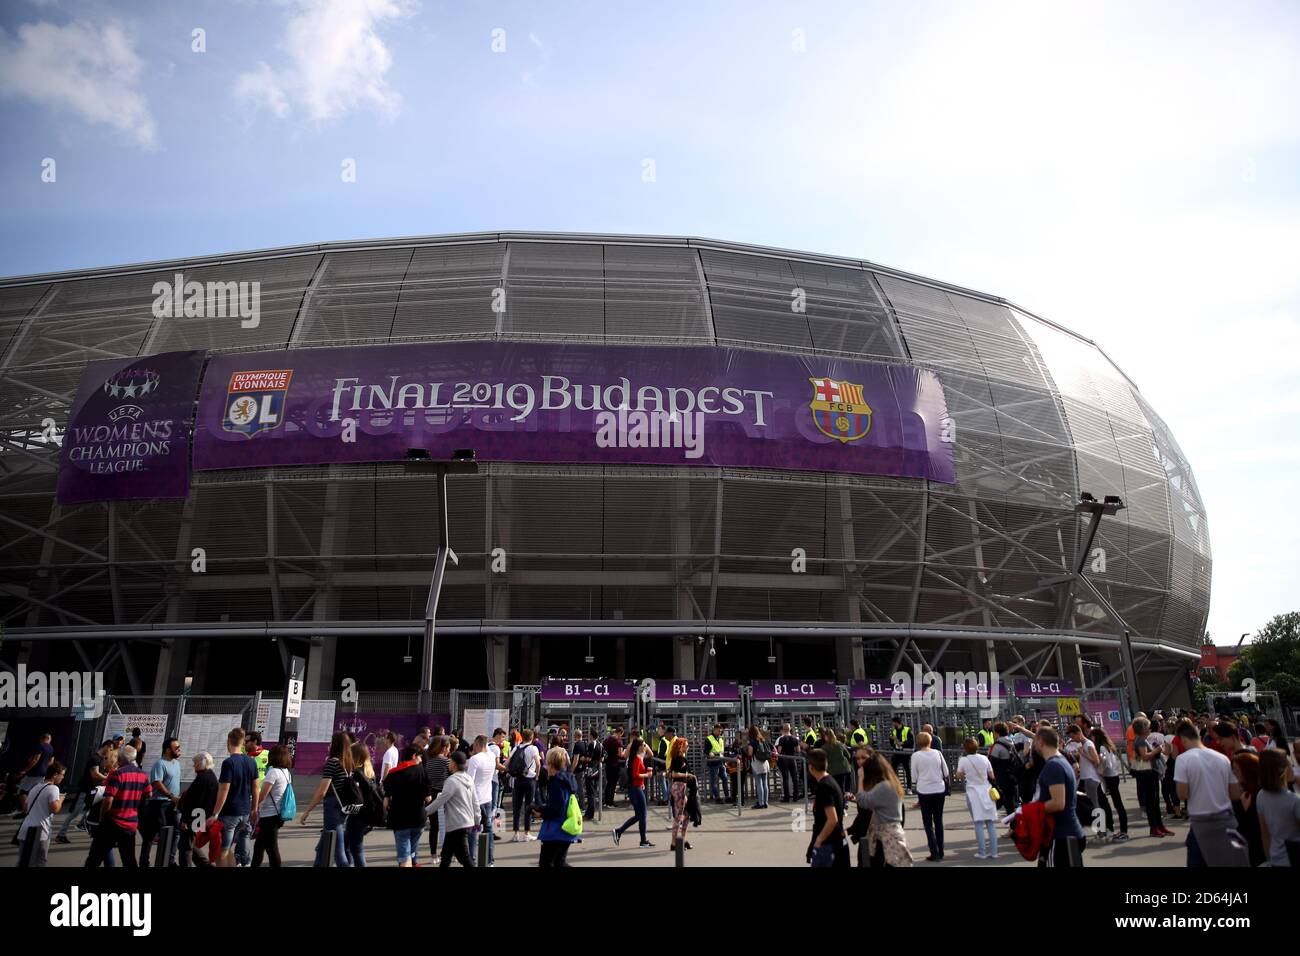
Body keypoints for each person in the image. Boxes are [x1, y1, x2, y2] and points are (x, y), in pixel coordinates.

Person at [1173, 720, 1242, 866]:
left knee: (1197, 860)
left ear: (1184, 739)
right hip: (1228, 820)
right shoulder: (1223, 758)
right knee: (1236, 857)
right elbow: (1235, 793)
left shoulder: (1183, 759)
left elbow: (1182, 794)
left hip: (1202, 823)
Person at [85, 744, 148, 868]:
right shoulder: (142, 775)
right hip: (130, 824)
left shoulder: (118, 774)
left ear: (120, 758)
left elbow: (108, 800)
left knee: (94, 858)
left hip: (113, 822)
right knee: (129, 860)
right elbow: (148, 793)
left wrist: (102, 819)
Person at [301, 730, 357, 867]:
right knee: (323, 845)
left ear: (335, 745)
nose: (329, 744)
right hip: (343, 806)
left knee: (338, 849)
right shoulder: (348, 763)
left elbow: (322, 791)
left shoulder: (332, 762)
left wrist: (307, 811)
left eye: (331, 742)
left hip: (332, 807)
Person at [1034, 727, 1086, 867]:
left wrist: (1032, 809)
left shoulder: (1053, 766)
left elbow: (1058, 803)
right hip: (1068, 833)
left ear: (1041, 742)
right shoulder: (1061, 762)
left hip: (1060, 835)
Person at [209, 727, 258, 867]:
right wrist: (254, 808)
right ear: (243, 743)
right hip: (246, 811)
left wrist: (215, 813)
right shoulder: (251, 761)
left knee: (224, 849)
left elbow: (224, 789)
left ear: (228, 742)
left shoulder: (228, 763)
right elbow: (255, 787)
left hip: (230, 812)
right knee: (244, 839)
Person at [857, 751, 911, 867]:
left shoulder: (883, 786)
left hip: (886, 836)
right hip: (892, 833)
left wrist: (860, 778)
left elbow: (863, 801)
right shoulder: (891, 783)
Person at [427, 751, 478, 867]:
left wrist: (425, 811)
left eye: (450, 762)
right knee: (446, 855)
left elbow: (440, 800)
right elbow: (475, 801)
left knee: (464, 858)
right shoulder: (469, 779)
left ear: (454, 764)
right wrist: (477, 818)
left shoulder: (451, 781)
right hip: (465, 822)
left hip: (457, 824)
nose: (448, 764)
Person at [55, 740, 111, 844]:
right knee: (74, 814)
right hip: (85, 790)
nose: (110, 752)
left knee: (95, 807)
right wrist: (107, 778)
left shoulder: (100, 759)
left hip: (92, 790)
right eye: (110, 749)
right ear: (106, 747)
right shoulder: (95, 759)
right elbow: (95, 774)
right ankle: (61, 835)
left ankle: (86, 825)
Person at [138, 736, 182, 867]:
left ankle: (170, 861)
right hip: (159, 804)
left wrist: (176, 798)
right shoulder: (160, 764)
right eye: (176, 748)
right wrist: (171, 795)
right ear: (168, 750)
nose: (179, 750)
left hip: (173, 805)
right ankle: (144, 862)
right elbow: (157, 783)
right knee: (151, 835)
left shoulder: (177, 763)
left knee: (175, 832)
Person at [383, 743, 428, 867]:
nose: (421, 760)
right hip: (419, 819)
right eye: (420, 757)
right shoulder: (422, 771)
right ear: (414, 756)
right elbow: (428, 798)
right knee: (411, 852)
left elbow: (386, 800)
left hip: (400, 819)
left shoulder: (393, 773)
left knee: (404, 856)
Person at [1253, 748, 1299, 866]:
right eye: (1289, 763)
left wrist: (1269, 859)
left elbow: (1265, 834)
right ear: (1284, 770)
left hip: (1276, 857)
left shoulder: (1261, 796)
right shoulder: (1293, 800)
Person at [955, 738, 998, 859]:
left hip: (973, 792)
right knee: (990, 822)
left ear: (965, 748)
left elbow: (958, 775)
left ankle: (982, 852)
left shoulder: (963, 760)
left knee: (978, 823)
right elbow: (992, 775)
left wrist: (965, 773)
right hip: (986, 790)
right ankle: (994, 852)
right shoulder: (984, 758)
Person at [910, 731, 949, 861]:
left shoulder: (916, 756)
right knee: (938, 820)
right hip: (939, 789)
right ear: (930, 741)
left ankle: (934, 851)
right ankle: (941, 850)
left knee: (927, 822)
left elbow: (914, 776)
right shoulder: (938, 753)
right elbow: (946, 771)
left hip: (924, 790)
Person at [251, 744, 293, 868]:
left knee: (271, 848)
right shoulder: (286, 772)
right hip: (278, 813)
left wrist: (254, 806)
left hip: (269, 815)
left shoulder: (273, 772)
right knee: (259, 846)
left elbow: (263, 794)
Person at [16, 761, 64, 867]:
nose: (62, 778)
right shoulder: (54, 788)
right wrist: (61, 799)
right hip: (39, 832)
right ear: (55, 774)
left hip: (25, 830)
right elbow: (55, 809)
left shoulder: (36, 786)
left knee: (24, 862)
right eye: (62, 775)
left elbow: (25, 808)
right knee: (40, 862)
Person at [538, 747, 580, 867]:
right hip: (565, 827)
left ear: (550, 763)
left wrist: (541, 813)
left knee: (548, 863)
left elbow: (556, 807)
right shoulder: (566, 779)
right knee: (559, 862)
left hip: (556, 828)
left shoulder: (556, 782)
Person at [807, 749, 849, 867]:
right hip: (837, 841)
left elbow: (832, 819)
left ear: (811, 768)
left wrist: (819, 840)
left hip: (828, 844)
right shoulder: (831, 782)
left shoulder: (824, 787)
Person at [1131, 717, 1171, 837]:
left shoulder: (1142, 739)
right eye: (1148, 726)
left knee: (1155, 801)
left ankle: (1159, 825)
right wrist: (1157, 750)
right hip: (1147, 773)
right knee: (1151, 801)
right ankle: (1154, 827)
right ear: (1143, 729)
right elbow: (1145, 756)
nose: (1150, 729)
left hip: (1150, 772)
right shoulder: (1141, 741)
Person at [1063, 725, 1105, 840]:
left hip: (1091, 778)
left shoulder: (1088, 744)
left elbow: (1096, 760)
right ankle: (1099, 830)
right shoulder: (1084, 744)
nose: (1073, 739)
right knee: (1089, 804)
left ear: (1078, 733)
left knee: (1094, 804)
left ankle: (1101, 831)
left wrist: (1083, 753)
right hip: (1086, 777)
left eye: (1073, 736)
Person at [612, 737, 655, 848]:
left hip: (636, 787)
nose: (645, 746)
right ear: (639, 747)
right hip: (636, 789)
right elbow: (635, 775)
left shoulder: (636, 757)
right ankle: (643, 841)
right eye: (643, 745)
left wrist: (642, 781)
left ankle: (619, 831)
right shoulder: (636, 758)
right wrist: (647, 775)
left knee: (638, 816)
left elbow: (635, 775)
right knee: (643, 815)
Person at [178, 752, 218, 867]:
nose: (193, 766)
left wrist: (186, 820)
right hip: (202, 815)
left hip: (195, 816)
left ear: (202, 763)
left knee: (185, 846)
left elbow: (193, 802)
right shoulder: (211, 775)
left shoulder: (202, 778)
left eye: (195, 763)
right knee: (192, 843)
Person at [1092, 728, 1129, 842]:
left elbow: (1105, 762)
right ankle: (1123, 830)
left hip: (1110, 777)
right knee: (1118, 803)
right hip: (1114, 775)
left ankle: (1123, 831)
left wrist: (1100, 771)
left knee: (1117, 804)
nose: (1092, 739)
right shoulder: (1108, 746)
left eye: (1093, 737)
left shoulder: (1102, 747)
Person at [346, 742, 380, 866]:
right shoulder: (369, 772)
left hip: (357, 815)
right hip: (368, 815)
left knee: (354, 848)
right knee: (352, 846)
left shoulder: (356, 773)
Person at [467, 735, 497, 866]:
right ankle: (490, 860)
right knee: (488, 829)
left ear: (478, 744)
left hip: (476, 799)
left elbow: (469, 781)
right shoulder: (491, 756)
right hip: (487, 797)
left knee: (473, 830)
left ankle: (471, 859)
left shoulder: (475, 759)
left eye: (474, 744)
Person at [512, 729, 541, 841]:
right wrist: (537, 775)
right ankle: (526, 833)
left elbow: (509, 762)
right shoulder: (534, 748)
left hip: (518, 779)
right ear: (532, 737)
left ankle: (515, 834)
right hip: (530, 780)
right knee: (528, 806)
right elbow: (538, 763)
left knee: (517, 806)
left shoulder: (517, 748)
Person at [423, 735, 451, 857]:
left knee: (434, 826)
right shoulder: (447, 761)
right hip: (444, 795)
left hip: (432, 794)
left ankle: (433, 854)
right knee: (449, 825)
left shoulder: (429, 761)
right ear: (444, 748)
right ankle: (448, 852)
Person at [667, 736, 695, 853]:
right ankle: (674, 842)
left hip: (682, 787)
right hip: (679, 787)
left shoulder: (682, 758)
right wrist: (686, 775)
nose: (688, 747)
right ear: (681, 746)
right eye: (686, 745)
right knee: (679, 816)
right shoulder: (678, 759)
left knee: (686, 815)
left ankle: (683, 839)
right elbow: (674, 774)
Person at [15, 732, 54, 813]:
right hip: (43, 774)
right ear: (48, 739)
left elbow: (35, 759)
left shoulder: (40, 746)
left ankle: (26, 811)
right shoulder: (51, 748)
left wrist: (25, 770)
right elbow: (51, 762)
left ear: (42, 739)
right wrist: (44, 767)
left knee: (22, 792)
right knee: (35, 792)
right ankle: (33, 810)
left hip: (33, 773)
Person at [987, 722, 1020, 815]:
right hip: (1013, 777)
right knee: (1012, 805)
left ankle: (1014, 827)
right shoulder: (1011, 742)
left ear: (997, 733)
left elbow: (990, 764)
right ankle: (1014, 826)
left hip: (1002, 779)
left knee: (1006, 805)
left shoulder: (997, 746)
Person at [705, 723, 731, 804]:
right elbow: (706, 751)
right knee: (714, 781)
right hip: (713, 763)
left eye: (721, 731)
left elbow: (722, 751)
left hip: (720, 762)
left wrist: (724, 761)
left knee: (725, 779)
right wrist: (710, 753)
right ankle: (717, 798)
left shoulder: (721, 739)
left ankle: (727, 796)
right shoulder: (709, 738)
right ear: (714, 730)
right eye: (719, 731)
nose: (720, 732)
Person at [776, 723, 803, 802]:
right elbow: (798, 750)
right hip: (792, 759)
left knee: (785, 778)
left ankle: (786, 797)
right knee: (794, 778)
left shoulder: (782, 739)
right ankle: (795, 797)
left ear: (783, 730)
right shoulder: (795, 739)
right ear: (790, 729)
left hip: (784, 759)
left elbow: (779, 751)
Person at [747, 725, 771, 810]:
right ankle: (766, 802)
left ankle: (760, 803)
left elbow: (750, 754)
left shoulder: (752, 742)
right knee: (765, 783)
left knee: (759, 783)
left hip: (757, 763)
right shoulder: (762, 739)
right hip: (765, 762)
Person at [889, 717, 914, 793]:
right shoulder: (893, 731)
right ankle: (894, 787)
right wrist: (892, 740)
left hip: (905, 753)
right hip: (896, 752)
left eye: (893, 723)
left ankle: (909, 788)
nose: (892, 724)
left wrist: (902, 743)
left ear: (896, 722)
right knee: (892, 770)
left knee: (907, 770)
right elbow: (891, 743)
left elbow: (911, 741)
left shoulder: (907, 729)